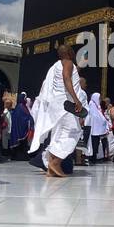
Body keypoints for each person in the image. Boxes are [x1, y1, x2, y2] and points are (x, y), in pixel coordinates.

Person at [28, 44, 84, 177]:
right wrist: (76, 100)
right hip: (66, 105)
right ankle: (56, 162)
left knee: (58, 135)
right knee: (73, 132)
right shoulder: (68, 62)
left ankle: (50, 167)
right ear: (70, 53)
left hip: (56, 105)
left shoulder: (56, 65)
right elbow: (66, 78)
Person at [6, 91, 33, 159]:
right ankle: (21, 157)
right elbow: (25, 117)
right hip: (21, 130)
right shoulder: (21, 107)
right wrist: (29, 118)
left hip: (19, 129)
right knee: (21, 144)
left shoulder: (18, 107)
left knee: (21, 144)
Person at [85, 91, 110, 161]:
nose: (100, 100)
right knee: (93, 144)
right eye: (99, 98)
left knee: (96, 144)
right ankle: (92, 158)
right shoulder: (92, 105)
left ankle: (94, 157)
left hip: (97, 129)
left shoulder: (96, 106)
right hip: (94, 129)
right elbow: (95, 116)